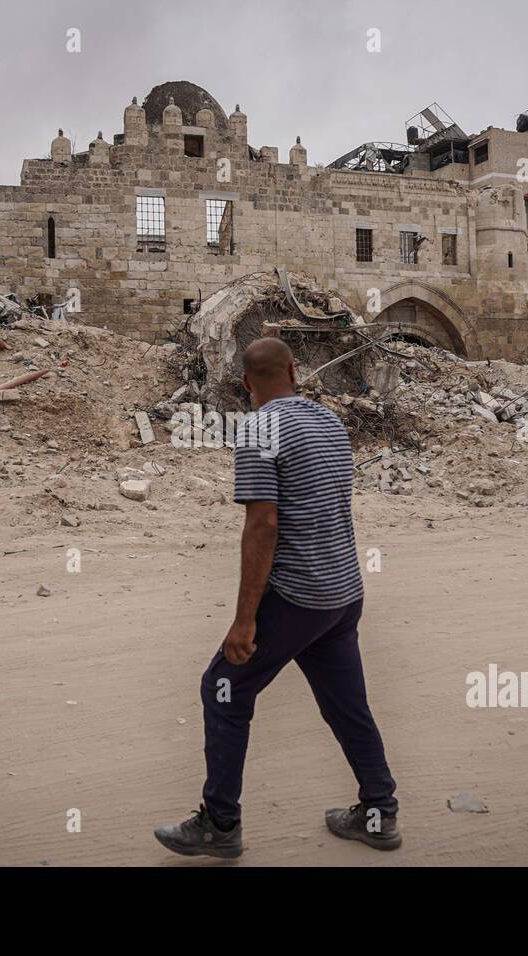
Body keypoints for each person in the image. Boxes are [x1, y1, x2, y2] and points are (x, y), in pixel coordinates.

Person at [154, 337, 399, 859]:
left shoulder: (259, 427)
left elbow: (263, 524)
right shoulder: (329, 421)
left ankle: (220, 824)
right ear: (294, 370)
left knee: (223, 687)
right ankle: (379, 814)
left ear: (246, 384)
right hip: (343, 592)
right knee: (348, 706)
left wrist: (245, 621)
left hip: (298, 596)